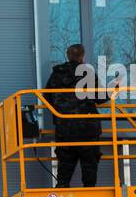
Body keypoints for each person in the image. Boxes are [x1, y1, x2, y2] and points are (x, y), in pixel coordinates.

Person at [43, 44, 107, 187]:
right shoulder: (86, 72)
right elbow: (101, 97)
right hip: (87, 128)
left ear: (67, 56)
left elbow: (46, 97)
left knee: (65, 165)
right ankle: (89, 193)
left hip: (64, 128)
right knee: (89, 164)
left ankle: (62, 191)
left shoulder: (57, 74)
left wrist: (61, 110)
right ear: (82, 56)